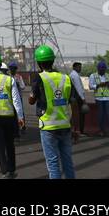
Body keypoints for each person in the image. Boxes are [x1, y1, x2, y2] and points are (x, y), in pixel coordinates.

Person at [31, 44, 75, 179]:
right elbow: (72, 102)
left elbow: (33, 99)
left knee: (53, 163)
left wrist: (32, 98)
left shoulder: (39, 78)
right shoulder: (65, 78)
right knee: (68, 161)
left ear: (39, 63)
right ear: (52, 60)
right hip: (65, 125)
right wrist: (75, 126)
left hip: (48, 126)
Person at [89, 60, 109, 135]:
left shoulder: (108, 76)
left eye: (104, 69)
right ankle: (101, 130)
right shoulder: (93, 75)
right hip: (99, 98)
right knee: (100, 115)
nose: (103, 70)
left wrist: (108, 85)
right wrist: (98, 85)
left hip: (108, 98)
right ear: (98, 69)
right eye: (101, 69)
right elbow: (90, 86)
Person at [69, 62, 87, 135]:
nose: (80, 69)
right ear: (74, 67)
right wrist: (83, 99)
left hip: (73, 97)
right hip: (77, 98)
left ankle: (71, 130)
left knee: (74, 114)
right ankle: (80, 131)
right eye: (79, 67)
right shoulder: (75, 76)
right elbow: (79, 88)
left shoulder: (72, 74)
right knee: (80, 115)